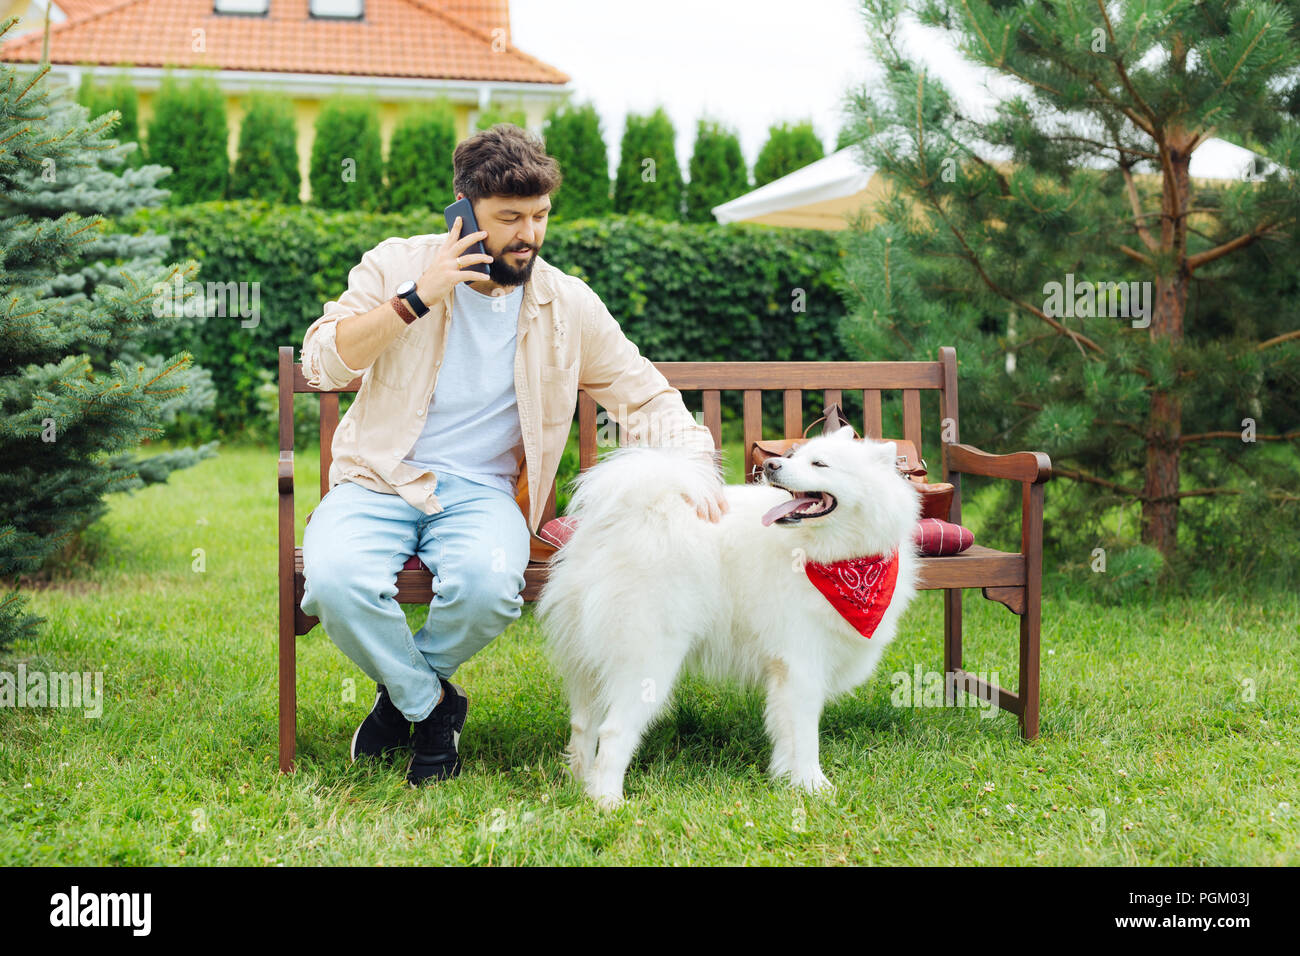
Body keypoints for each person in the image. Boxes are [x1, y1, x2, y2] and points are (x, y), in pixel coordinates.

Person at [299, 124, 726, 787]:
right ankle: (434, 707)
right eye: (510, 218)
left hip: (485, 494)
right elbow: (322, 363)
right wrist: (418, 296)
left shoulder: (567, 303)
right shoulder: (394, 263)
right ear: (465, 211)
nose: (529, 233)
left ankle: (402, 701)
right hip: (377, 478)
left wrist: (699, 470)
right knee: (333, 582)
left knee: (490, 588)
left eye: (540, 216)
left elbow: (644, 398)